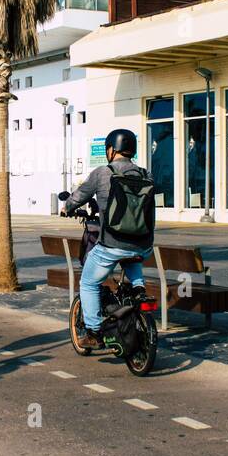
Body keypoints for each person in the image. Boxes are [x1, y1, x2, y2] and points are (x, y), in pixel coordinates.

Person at [62, 128, 155, 351]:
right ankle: (139, 289)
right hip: (143, 245)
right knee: (130, 255)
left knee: (88, 282)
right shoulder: (146, 174)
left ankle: (94, 332)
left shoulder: (103, 173)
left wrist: (67, 207)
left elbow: (79, 196)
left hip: (111, 244)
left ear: (111, 149)